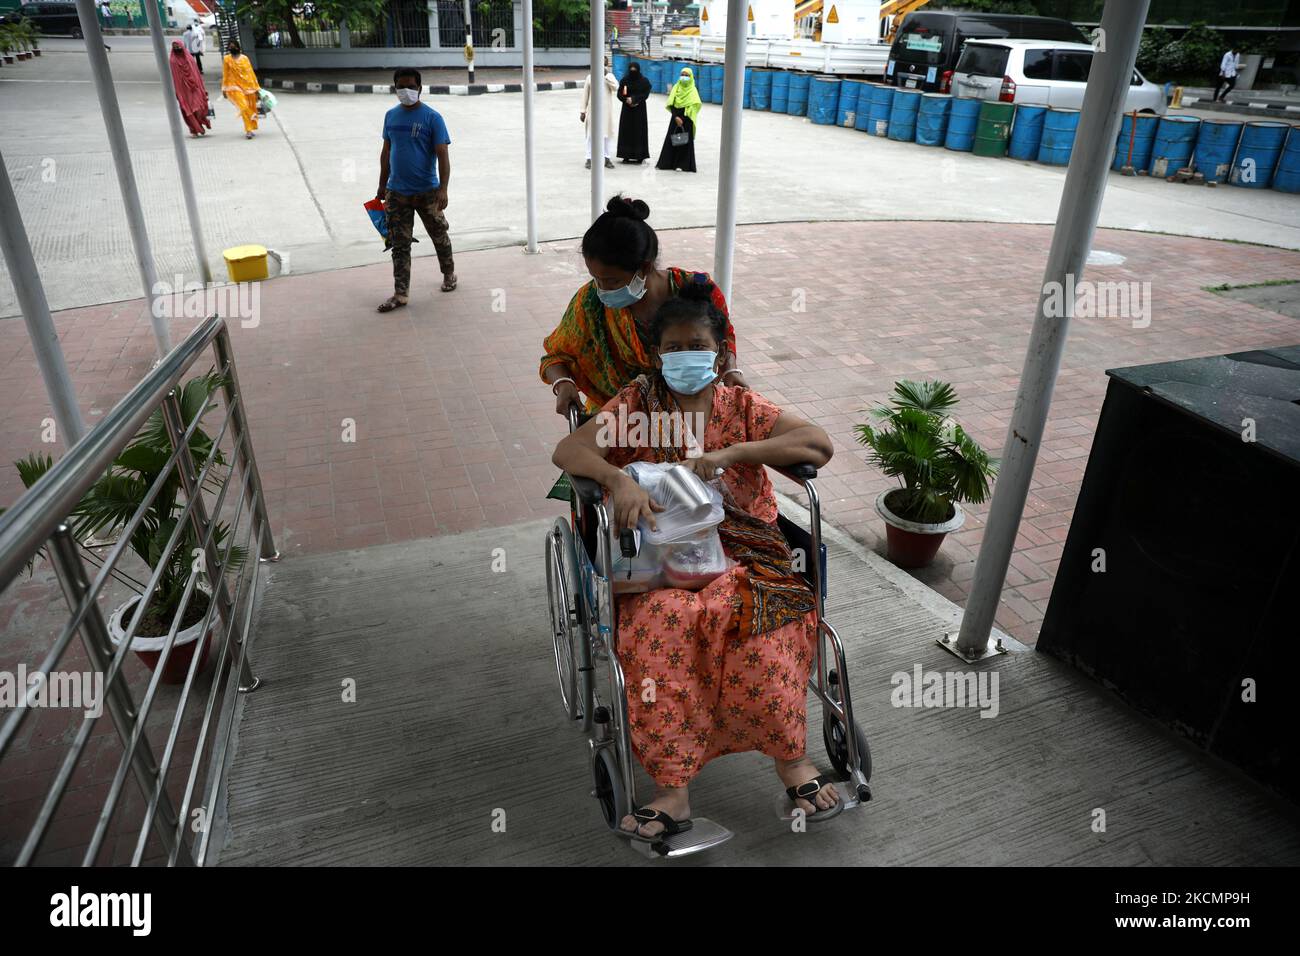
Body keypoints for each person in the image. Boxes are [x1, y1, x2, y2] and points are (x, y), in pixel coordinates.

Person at [551, 284, 839, 840]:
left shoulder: (742, 408)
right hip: (660, 562)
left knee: (764, 627)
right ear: (657, 355)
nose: (685, 356)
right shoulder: (637, 406)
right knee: (665, 627)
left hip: (746, 556)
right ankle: (673, 791)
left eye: (697, 345)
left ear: (720, 353)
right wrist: (615, 479)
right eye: (673, 347)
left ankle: (792, 760)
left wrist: (731, 455)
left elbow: (817, 444)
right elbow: (570, 451)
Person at [541, 195, 745, 416]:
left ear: (645, 267)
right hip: (619, 418)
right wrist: (563, 383)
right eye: (596, 279)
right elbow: (556, 355)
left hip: (693, 412)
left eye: (613, 281)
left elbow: (723, 336)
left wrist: (730, 370)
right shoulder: (590, 303)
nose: (602, 289)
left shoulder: (699, 289)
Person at [375, 67, 457, 313]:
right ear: (395, 88)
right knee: (399, 245)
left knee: (439, 235)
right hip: (396, 193)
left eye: (410, 86)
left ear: (420, 88)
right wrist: (381, 184)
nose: (405, 91)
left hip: (427, 192)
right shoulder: (391, 116)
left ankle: (449, 274)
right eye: (400, 87)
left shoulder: (432, 118)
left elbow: (443, 154)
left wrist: (443, 188)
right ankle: (401, 294)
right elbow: (386, 152)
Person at [656, 66, 701, 173]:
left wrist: (683, 119)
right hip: (675, 117)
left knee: (684, 142)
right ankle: (667, 163)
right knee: (672, 140)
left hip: (687, 119)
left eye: (686, 75)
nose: (684, 77)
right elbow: (671, 102)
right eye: (682, 75)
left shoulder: (693, 90)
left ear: (691, 77)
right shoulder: (676, 87)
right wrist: (676, 116)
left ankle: (682, 164)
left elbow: (695, 106)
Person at [169, 40, 210, 137]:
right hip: (182, 90)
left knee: (198, 108)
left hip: (194, 88)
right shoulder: (172, 61)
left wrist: (201, 88)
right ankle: (194, 129)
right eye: (174, 46)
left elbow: (197, 74)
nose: (176, 48)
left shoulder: (190, 59)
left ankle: (200, 124)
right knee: (188, 110)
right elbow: (174, 77)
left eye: (177, 46)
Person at [221, 40, 261, 139]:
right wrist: (224, 88)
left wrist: (257, 88)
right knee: (243, 107)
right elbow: (225, 74)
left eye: (234, 46)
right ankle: (248, 129)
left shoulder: (245, 58)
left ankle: (250, 129)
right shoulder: (226, 59)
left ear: (238, 47)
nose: (232, 48)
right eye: (230, 46)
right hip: (234, 87)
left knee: (249, 106)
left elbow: (250, 73)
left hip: (248, 86)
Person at [581, 66, 618, 170]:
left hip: (606, 112)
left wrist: (606, 76)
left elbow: (616, 87)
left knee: (606, 136)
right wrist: (582, 111)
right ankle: (589, 158)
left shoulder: (610, 76)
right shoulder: (590, 77)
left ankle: (606, 158)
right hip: (592, 111)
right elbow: (585, 94)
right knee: (590, 135)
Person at [616, 61, 651, 165]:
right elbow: (619, 93)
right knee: (626, 132)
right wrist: (626, 100)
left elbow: (646, 94)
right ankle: (625, 155)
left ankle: (640, 156)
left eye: (634, 71)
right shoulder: (624, 80)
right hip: (627, 110)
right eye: (631, 71)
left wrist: (635, 100)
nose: (633, 72)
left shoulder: (644, 81)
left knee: (639, 131)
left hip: (639, 110)